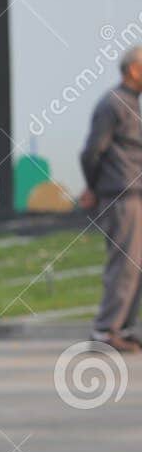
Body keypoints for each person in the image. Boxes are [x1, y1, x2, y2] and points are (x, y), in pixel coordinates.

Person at [78, 45, 142, 353]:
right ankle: (105, 330)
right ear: (133, 70)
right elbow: (91, 151)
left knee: (136, 265)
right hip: (121, 195)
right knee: (125, 265)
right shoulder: (113, 103)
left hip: (135, 196)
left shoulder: (133, 103)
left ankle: (125, 328)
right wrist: (93, 186)